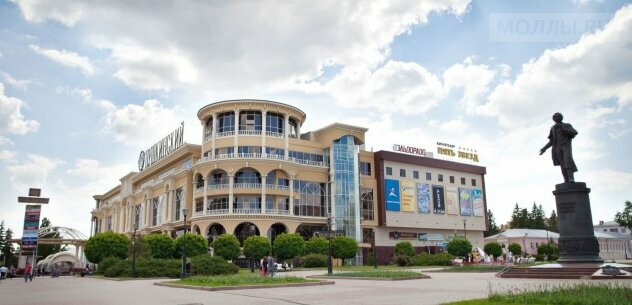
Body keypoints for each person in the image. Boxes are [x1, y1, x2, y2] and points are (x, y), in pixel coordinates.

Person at [540, 112, 578, 182]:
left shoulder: (567, 125)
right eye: (555, 117)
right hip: (557, 148)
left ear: (561, 117)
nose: (557, 118)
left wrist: (563, 128)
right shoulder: (553, 129)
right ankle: (566, 180)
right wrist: (544, 148)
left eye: (558, 116)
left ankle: (571, 178)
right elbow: (551, 141)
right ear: (553, 119)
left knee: (568, 161)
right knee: (562, 165)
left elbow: (575, 132)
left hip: (566, 147)